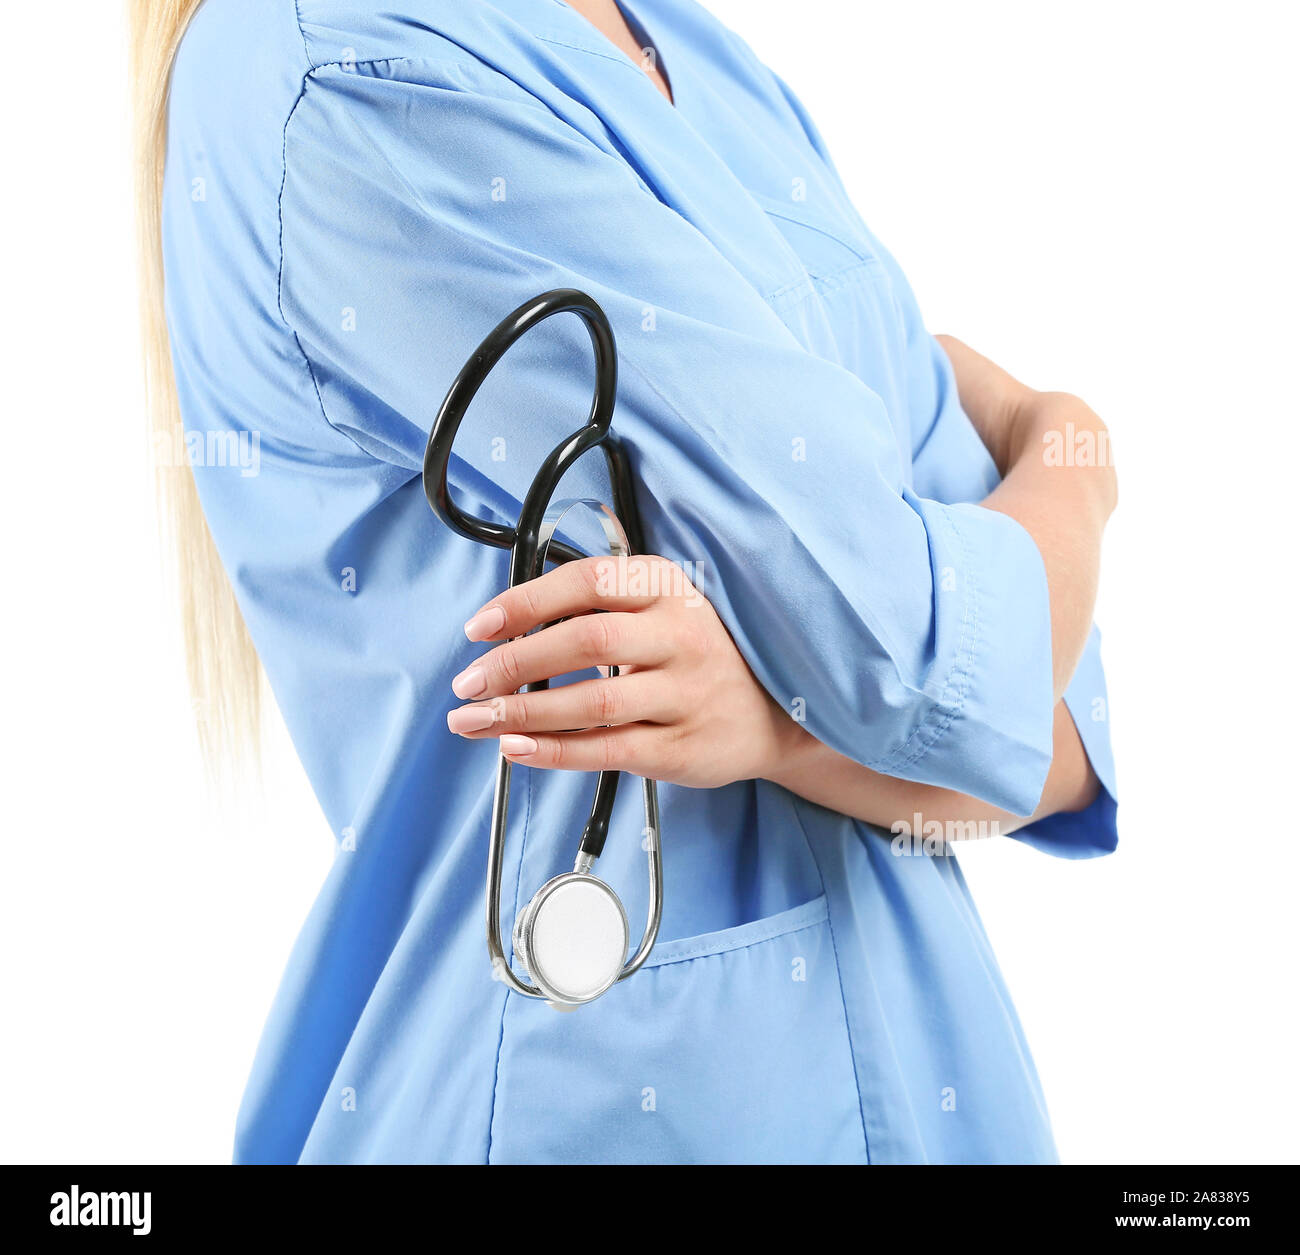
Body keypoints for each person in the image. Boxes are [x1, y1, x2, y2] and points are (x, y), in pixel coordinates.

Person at [135, 0, 1118, 1163]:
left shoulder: (690, 51)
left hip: (938, 1078)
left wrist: (775, 725)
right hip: (592, 1103)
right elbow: (933, 655)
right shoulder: (347, 71)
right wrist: (1075, 461)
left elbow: (1035, 728)